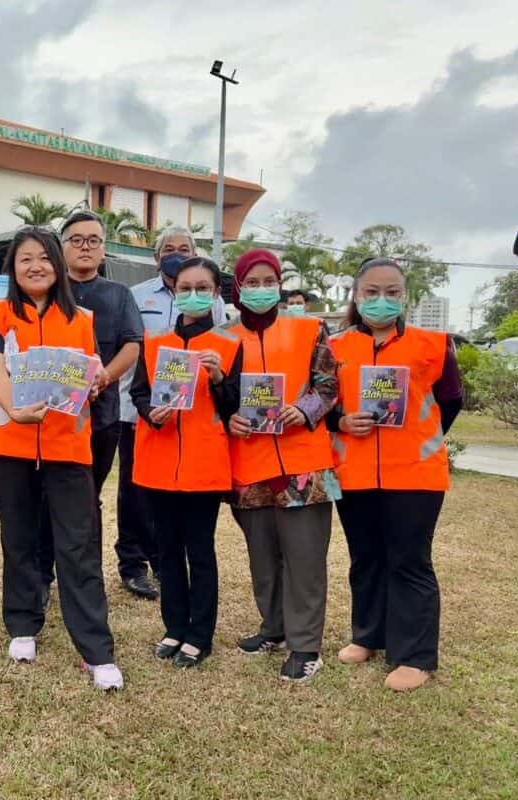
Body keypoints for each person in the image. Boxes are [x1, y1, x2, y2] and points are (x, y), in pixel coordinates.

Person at [0, 226, 122, 690]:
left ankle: (96, 650)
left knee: (77, 545)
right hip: (11, 443)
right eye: (25, 260)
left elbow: (89, 367)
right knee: (18, 537)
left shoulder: (82, 317)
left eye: (44, 257)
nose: (36, 266)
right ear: (13, 270)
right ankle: (22, 624)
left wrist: (94, 378)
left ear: (57, 266)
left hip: (67, 445)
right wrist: (14, 405)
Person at [327, 257, 463, 692]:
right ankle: (369, 635)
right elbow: (324, 406)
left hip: (416, 473)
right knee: (365, 557)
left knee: (409, 561)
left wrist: (418, 437)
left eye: (392, 293)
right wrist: (343, 422)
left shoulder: (434, 344)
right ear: (355, 295)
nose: (381, 300)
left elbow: (452, 401)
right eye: (371, 292)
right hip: (354, 471)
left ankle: (415, 656)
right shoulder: (335, 347)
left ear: (404, 297)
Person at [226, 248, 340, 683]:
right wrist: (229, 417)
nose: (260, 289)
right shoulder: (224, 336)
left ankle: (306, 646)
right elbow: (217, 397)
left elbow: (330, 385)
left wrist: (305, 408)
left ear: (279, 284)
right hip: (249, 461)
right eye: (250, 282)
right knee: (262, 556)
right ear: (238, 288)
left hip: (304, 463)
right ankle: (272, 627)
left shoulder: (310, 329)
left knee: (305, 557)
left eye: (266, 280)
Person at [130, 257, 242, 668]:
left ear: (215, 293)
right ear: (174, 292)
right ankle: (174, 627)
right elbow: (139, 393)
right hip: (159, 462)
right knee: (167, 551)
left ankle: (200, 634)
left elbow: (235, 406)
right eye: (185, 287)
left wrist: (216, 379)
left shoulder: (229, 345)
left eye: (202, 287)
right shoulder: (155, 342)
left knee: (200, 550)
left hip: (204, 465)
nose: (192, 294)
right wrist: (149, 412)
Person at [36, 210, 143, 605]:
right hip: (48, 418)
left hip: (101, 418)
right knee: (47, 497)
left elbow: (132, 344)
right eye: (76, 239)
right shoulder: (47, 289)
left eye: (93, 240)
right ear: (61, 248)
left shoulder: (118, 296)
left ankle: (84, 581)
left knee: (87, 500)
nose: (85, 246)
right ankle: (43, 578)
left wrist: (104, 378)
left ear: (103, 250)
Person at [117, 227, 228, 599]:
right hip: (144, 416)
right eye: (168, 249)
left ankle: (167, 569)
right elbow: (134, 355)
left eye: (184, 248)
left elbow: (223, 355)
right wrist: (148, 409)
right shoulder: (136, 295)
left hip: (198, 422)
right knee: (134, 496)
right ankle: (134, 564)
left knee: (193, 532)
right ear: (156, 256)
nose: (175, 253)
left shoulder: (215, 310)